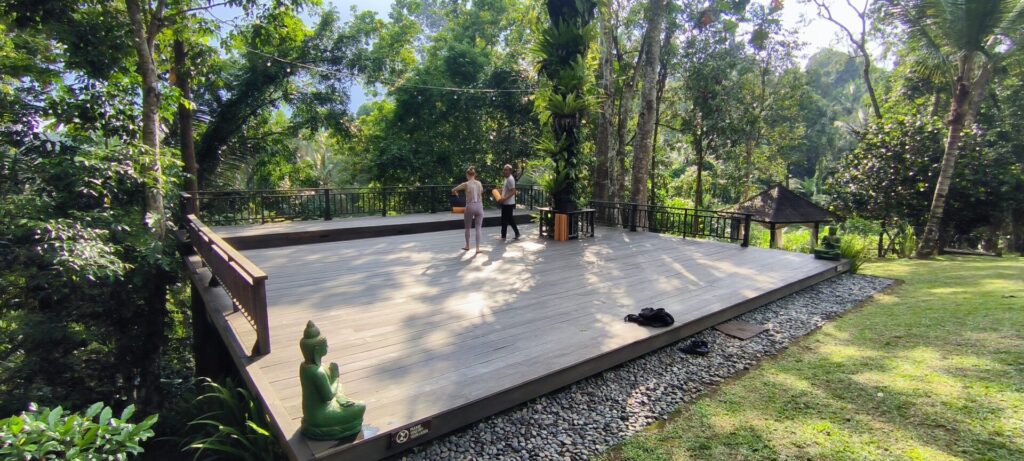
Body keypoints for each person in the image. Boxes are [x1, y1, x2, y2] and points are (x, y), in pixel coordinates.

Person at [452, 167, 484, 254]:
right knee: (478, 228)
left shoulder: (466, 184)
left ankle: (467, 245)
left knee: (467, 228)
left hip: (470, 206)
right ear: (474, 175)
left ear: (467, 175)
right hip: (479, 206)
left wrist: (456, 193)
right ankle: (477, 248)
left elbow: (453, 190)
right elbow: (481, 192)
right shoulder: (479, 183)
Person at [497, 164, 521, 241]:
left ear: (510, 171)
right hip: (506, 203)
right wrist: (500, 192)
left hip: (508, 203)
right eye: (504, 169)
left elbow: (513, 191)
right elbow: (507, 190)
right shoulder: (507, 179)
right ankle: (516, 233)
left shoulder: (510, 179)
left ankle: (503, 236)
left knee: (504, 219)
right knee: (509, 219)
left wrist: (504, 199)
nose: (504, 171)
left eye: (506, 170)